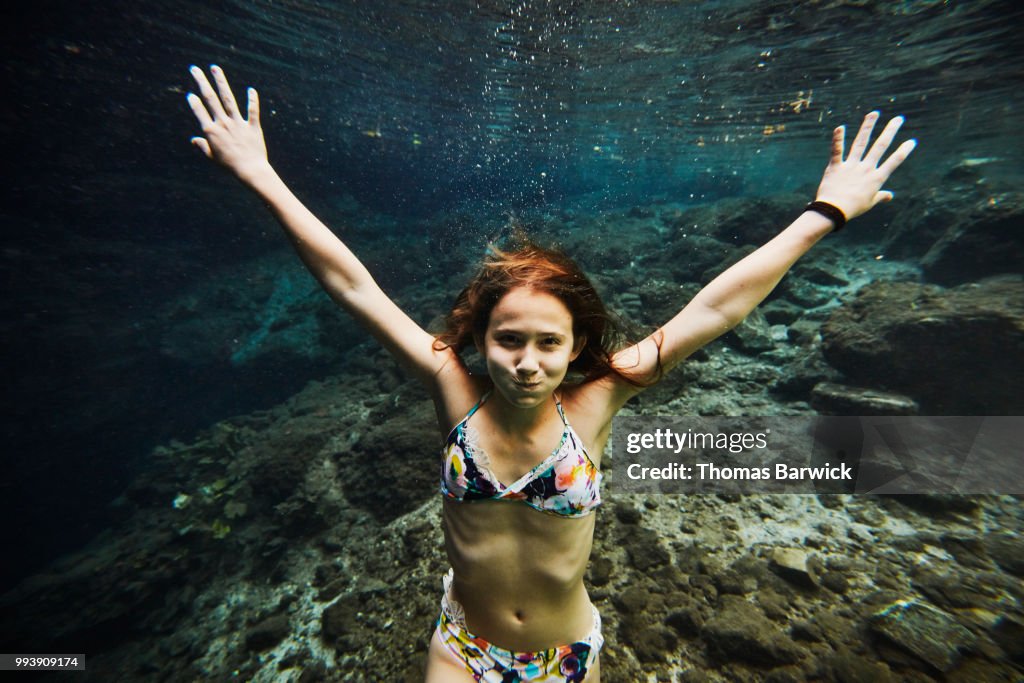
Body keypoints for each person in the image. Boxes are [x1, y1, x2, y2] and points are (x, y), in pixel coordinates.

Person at [185, 64, 916, 682]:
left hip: (567, 656)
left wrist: (826, 212)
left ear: (576, 348)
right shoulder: (451, 386)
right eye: (507, 340)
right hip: (462, 649)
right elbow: (353, 285)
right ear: (479, 337)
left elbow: (716, 307)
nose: (527, 363)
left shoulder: (599, 398)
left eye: (548, 343)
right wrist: (261, 175)